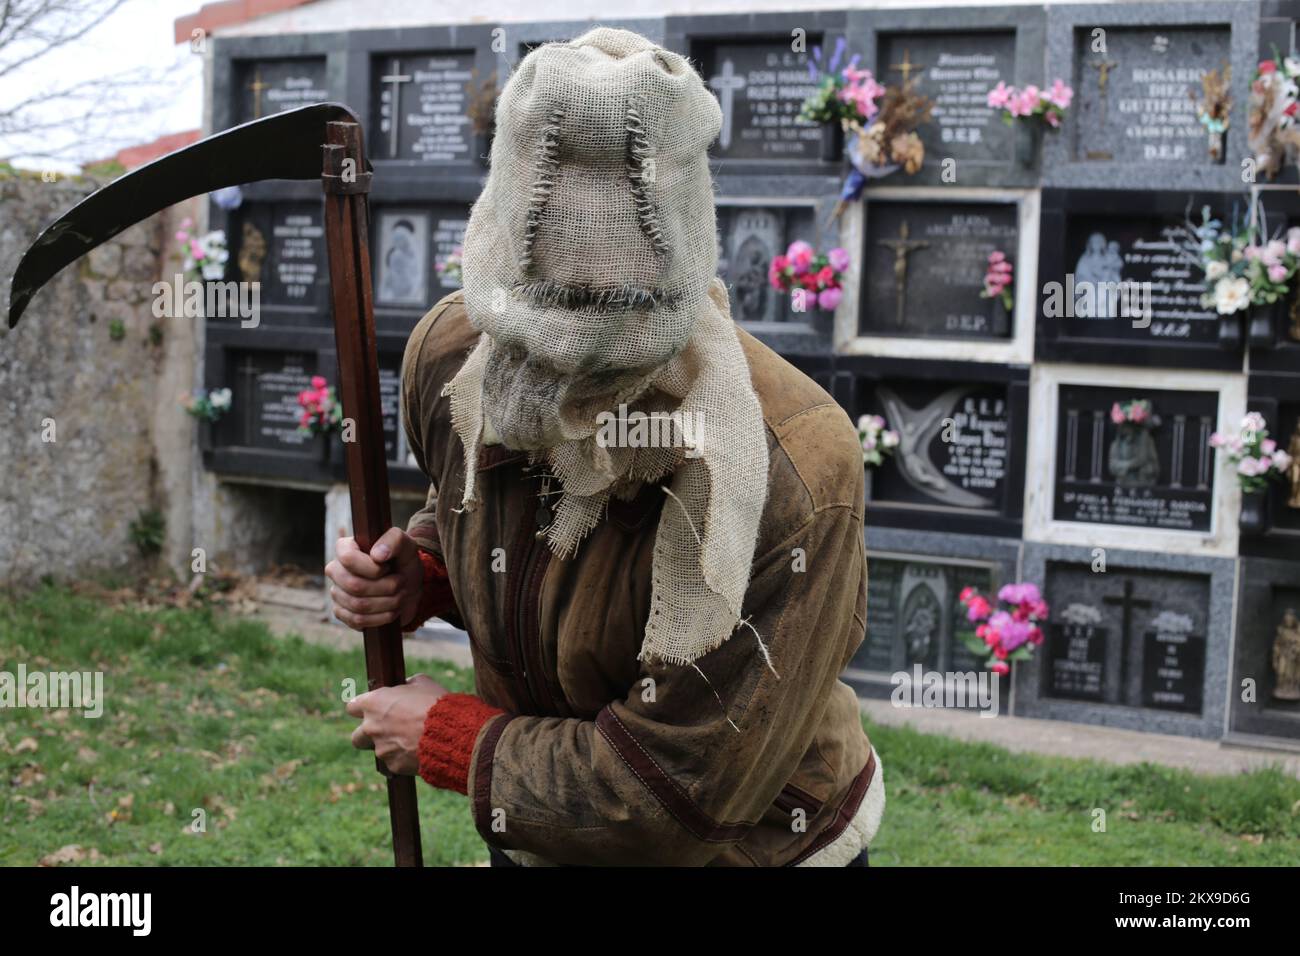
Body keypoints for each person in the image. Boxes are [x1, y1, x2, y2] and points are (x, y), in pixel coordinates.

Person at [329, 27, 883, 866]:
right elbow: (483, 513)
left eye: (606, 338)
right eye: (538, 336)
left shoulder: (791, 467)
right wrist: (430, 575)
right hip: (539, 841)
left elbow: (679, 800)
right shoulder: (455, 361)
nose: (561, 375)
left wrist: (459, 742)